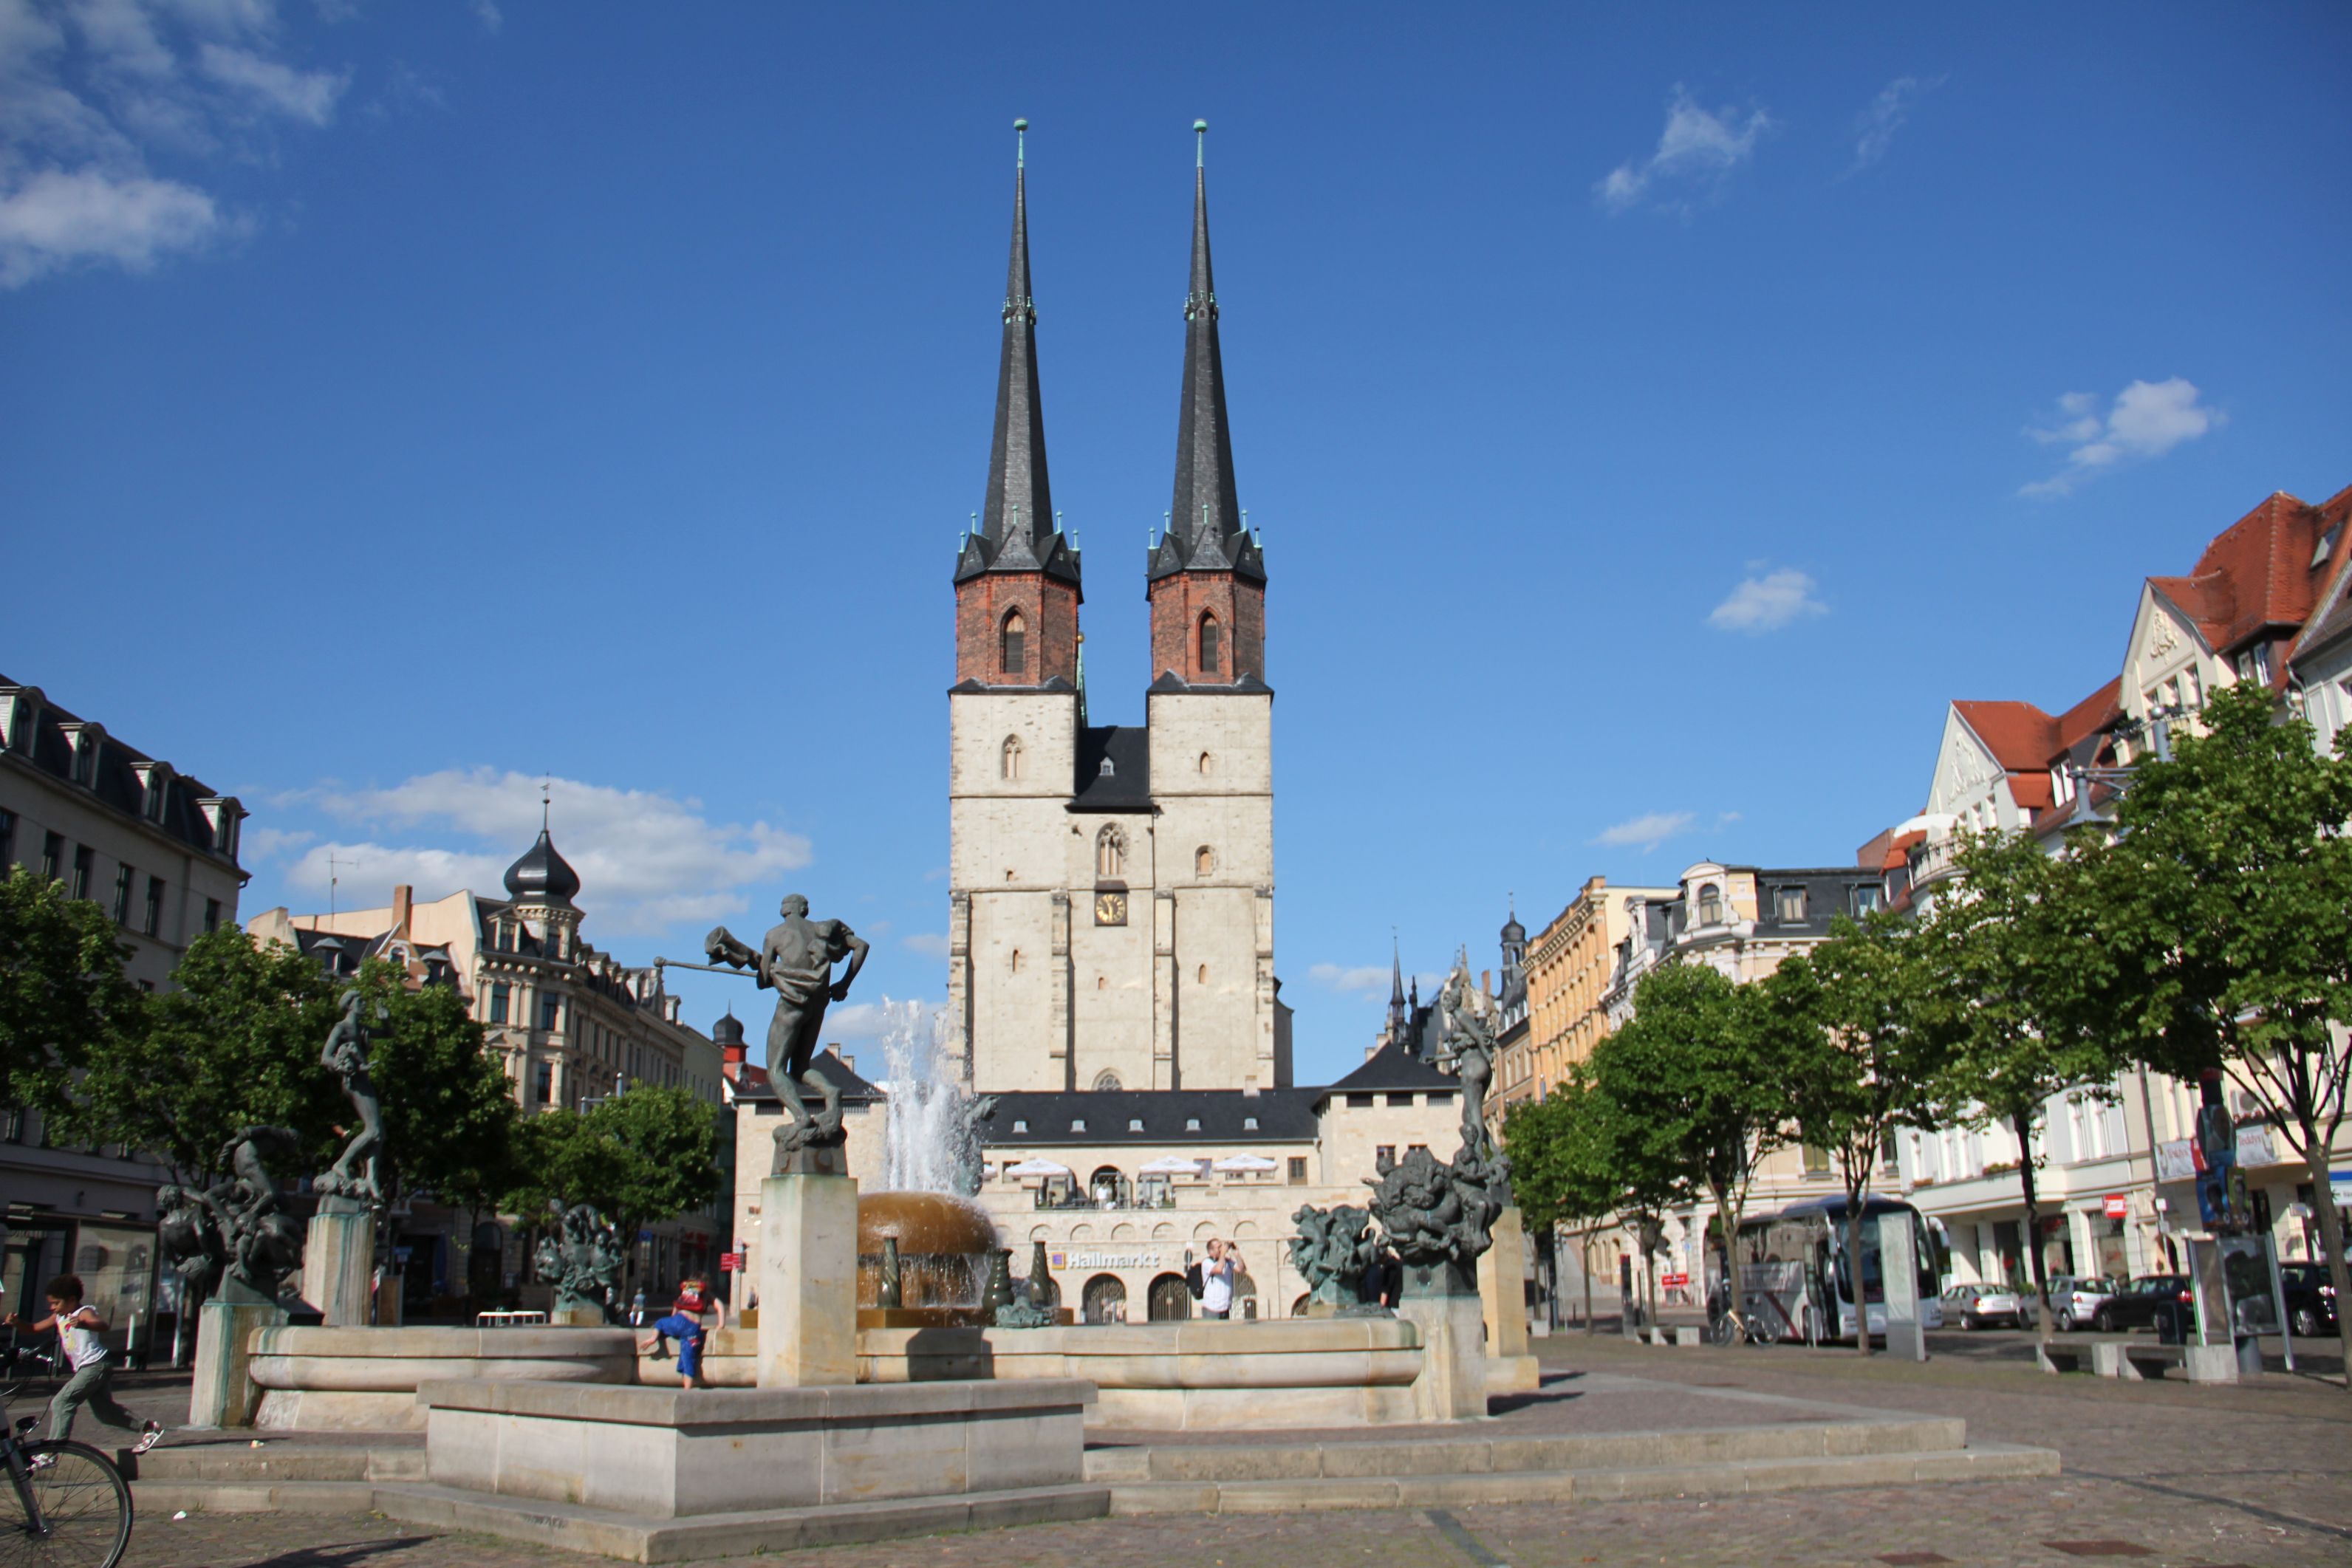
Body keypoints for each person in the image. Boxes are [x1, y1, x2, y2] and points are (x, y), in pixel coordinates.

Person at [8, 1274, 164, 1461]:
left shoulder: (83, 1312)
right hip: (90, 1368)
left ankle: (52, 1452)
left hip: (95, 1365)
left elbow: (103, 1325)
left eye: (56, 1303)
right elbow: (33, 1329)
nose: (52, 1307)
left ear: (72, 1300)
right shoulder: (59, 1316)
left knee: (62, 1402)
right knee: (105, 1413)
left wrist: (83, 1324)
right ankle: (149, 1428)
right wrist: (17, 1323)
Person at [639, 1277, 725, 1388]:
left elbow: (677, 1306)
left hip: (680, 1321)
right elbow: (720, 1306)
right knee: (688, 1358)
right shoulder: (706, 1294)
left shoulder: (688, 1290)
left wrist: (673, 1320)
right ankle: (687, 1390)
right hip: (694, 1329)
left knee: (660, 1322)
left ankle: (654, 1338)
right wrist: (720, 1325)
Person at [1198, 1239, 1240, 1321]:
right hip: (1212, 1309)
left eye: (1222, 1246)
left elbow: (1241, 1269)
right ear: (1211, 1251)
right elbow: (1219, 1270)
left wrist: (1237, 1254)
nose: (1221, 1248)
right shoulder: (1207, 1262)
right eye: (1219, 1247)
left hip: (1225, 1308)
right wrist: (1223, 1253)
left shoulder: (1227, 1262)